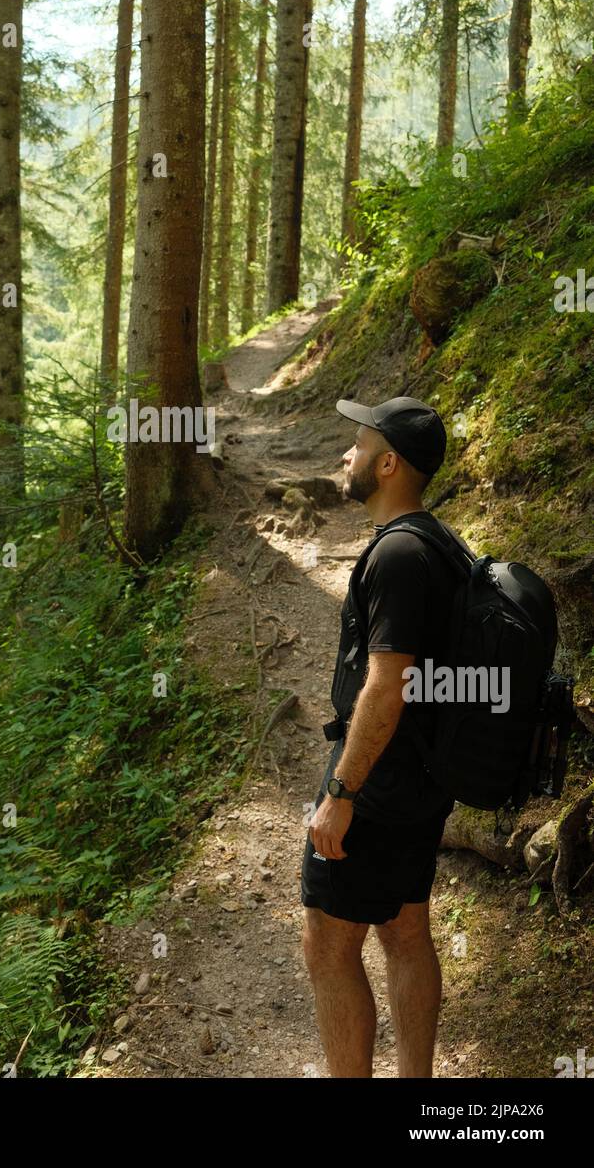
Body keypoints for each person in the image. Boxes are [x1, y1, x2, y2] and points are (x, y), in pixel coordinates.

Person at [300, 396, 469, 1078]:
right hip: (423, 776)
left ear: (390, 463)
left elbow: (387, 683)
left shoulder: (398, 555)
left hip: (379, 782)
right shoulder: (438, 541)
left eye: (359, 444)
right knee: (404, 931)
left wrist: (342, 789)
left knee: (328, 948)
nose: (347, 454)